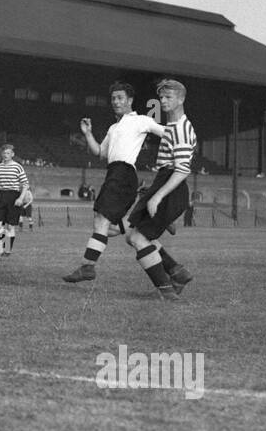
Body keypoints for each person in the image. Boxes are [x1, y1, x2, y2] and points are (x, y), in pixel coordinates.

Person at [64, 81, 170, 284]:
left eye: (120, 98)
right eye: (113, 98)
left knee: (102, 222)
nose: (116, 101)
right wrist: (87, 134)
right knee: (103, 223)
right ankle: (173, 266)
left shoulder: (141, 120)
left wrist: (183, 134)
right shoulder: (114, 127)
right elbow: (100, 153)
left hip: (123, 173)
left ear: (130, 100)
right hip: (114, 172)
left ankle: (88, 267)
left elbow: (165, 132)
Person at [121, 79, 198, 301]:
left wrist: (158, 197)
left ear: (181, 99)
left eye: (169, 97)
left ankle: (167, 291)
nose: (163, 101)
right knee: (132, 236)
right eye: (161, 97)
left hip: (171, 187)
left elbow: (183, 170)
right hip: (163, 181)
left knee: (138, 239)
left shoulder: (182, 128)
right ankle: (176, 271)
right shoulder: (172, 126)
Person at [0, 143, 30, 256]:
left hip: (14, 196)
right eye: (4, 153)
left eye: (8, 153)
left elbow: (25, 184)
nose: (5, 155)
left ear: (12, 154)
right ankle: (4, 242)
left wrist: (21, 198)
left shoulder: (17, 166)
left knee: (10, 226)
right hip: (1, 196)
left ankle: (7, 250)